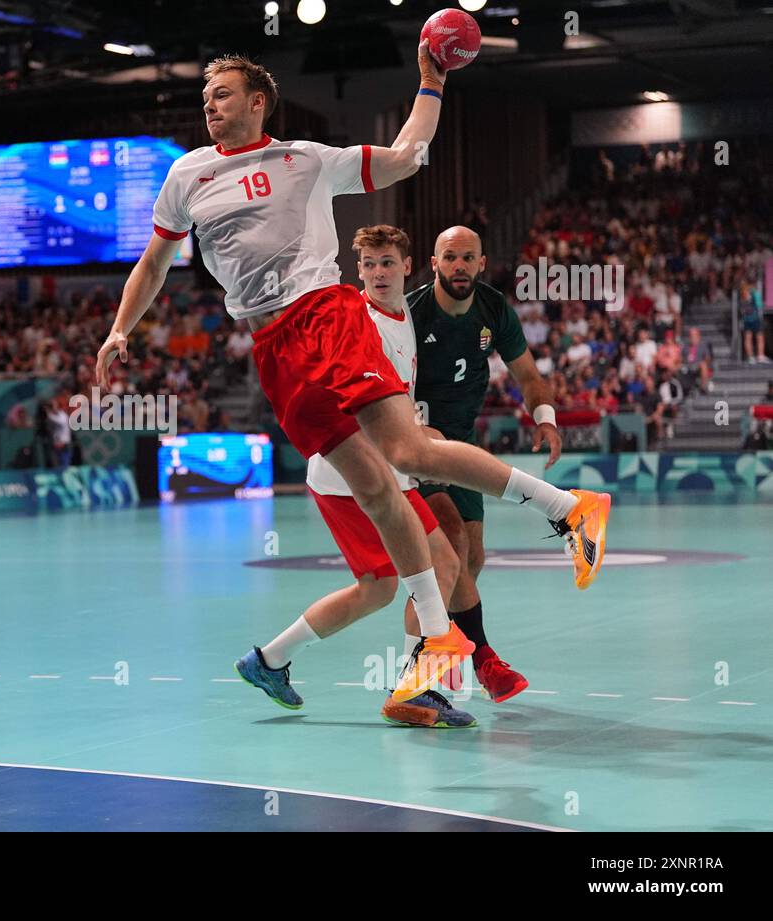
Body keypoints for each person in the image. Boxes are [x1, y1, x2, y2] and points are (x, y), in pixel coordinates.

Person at [95, 51, 611, 704]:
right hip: (271, 346)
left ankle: (570, 510)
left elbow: (406, 155)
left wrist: (432, 80)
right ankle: (438, 636)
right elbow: (153, 263)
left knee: (406, 452)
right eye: (206, 96)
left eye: (222, 93)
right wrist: (120, 327)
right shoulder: (186, 174)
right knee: (373, 489)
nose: (209, 104)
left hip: (323, 315)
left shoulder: (305, 160)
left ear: (259, 102)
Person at [237, 225, 475, 727]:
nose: (377, 273)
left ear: (408, 267)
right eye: (368, 264)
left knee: (380, 586)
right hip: (352, 475)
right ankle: (416, 689)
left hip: (375, 472)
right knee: (432, 569)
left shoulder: (404, 311)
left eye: (387, 262)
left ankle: (269, 661)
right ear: (357, 271)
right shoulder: (360, 321)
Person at [408, 226, 569, 703]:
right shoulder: (413, 313)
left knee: (470, 560)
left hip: (463, 444)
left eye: (468, 258)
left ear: (481, 264)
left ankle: (448, 650)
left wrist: (545, 418)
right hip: (418, 441)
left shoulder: (494, 308)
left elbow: (527, 374)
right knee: (450, 545)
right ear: (434, 263)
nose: (459, 266)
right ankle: (470, 662)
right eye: (450, 257)